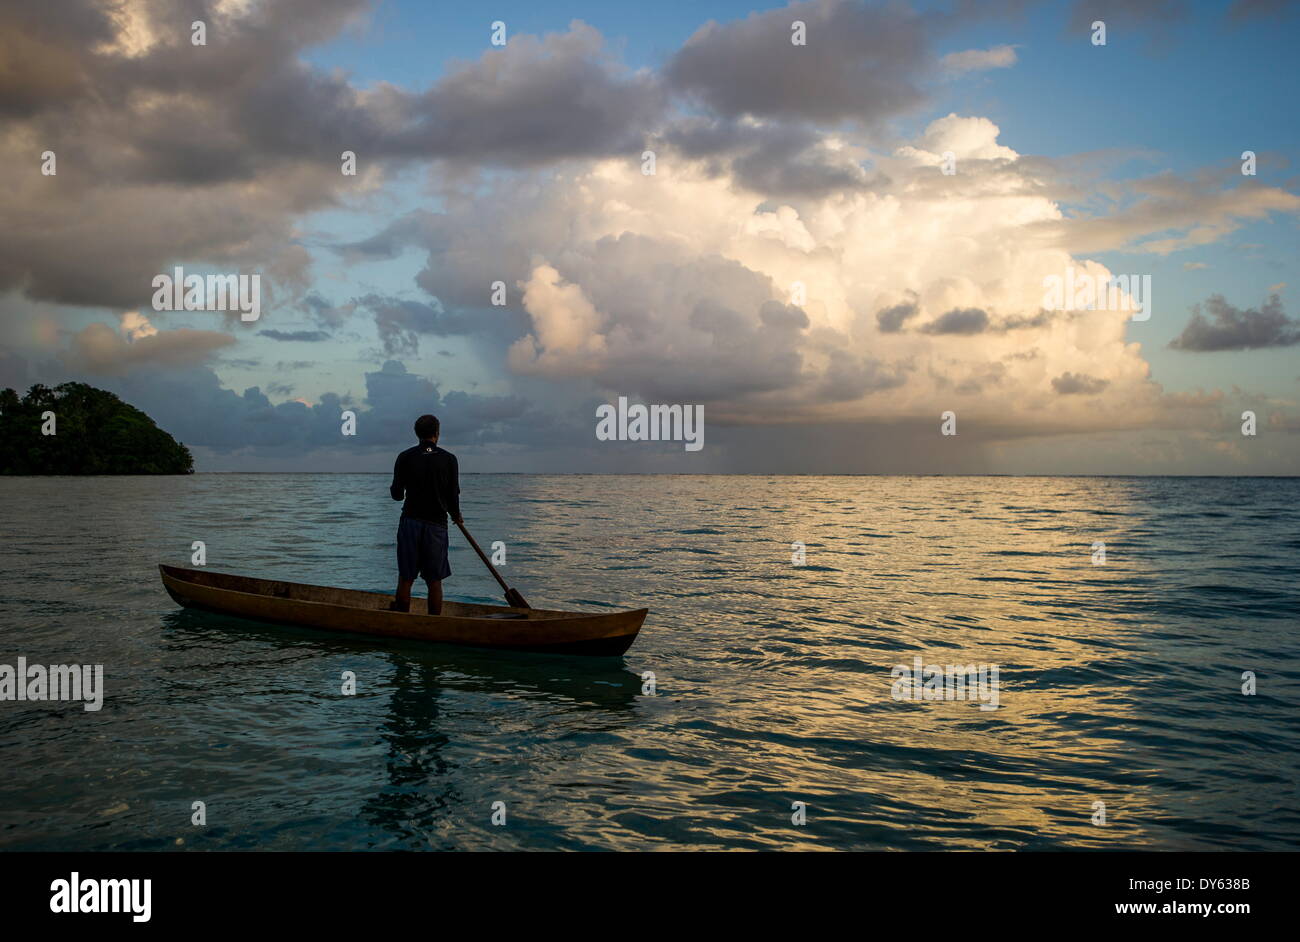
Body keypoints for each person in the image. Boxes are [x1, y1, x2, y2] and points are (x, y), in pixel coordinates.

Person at [389, 414, 462, 614]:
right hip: (436, 525)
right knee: (434, 580)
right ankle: (435, 625)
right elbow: (452, 494)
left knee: (406, 577)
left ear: (416, 433)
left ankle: (401, 620)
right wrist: (456, 515)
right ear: (437, 433)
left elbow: (396, 495)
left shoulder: (405, 457)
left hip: (410, 522)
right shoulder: (449, 459)